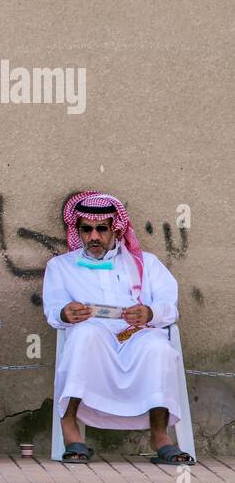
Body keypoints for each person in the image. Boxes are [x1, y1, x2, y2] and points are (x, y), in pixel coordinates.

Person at [42, 191, 191, 464]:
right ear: (78, 230)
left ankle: (160, 435)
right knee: (86, 334)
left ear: (116, 229)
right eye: (86, 230)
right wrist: (66, 313)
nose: (93, 237)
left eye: (101, 229)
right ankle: (71, 431)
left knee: (158, 347)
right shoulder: (61, 267)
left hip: (137, 336)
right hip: (93, 339)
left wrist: (150, 312)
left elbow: (170, 308)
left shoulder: (147, 263)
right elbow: (53, 311)